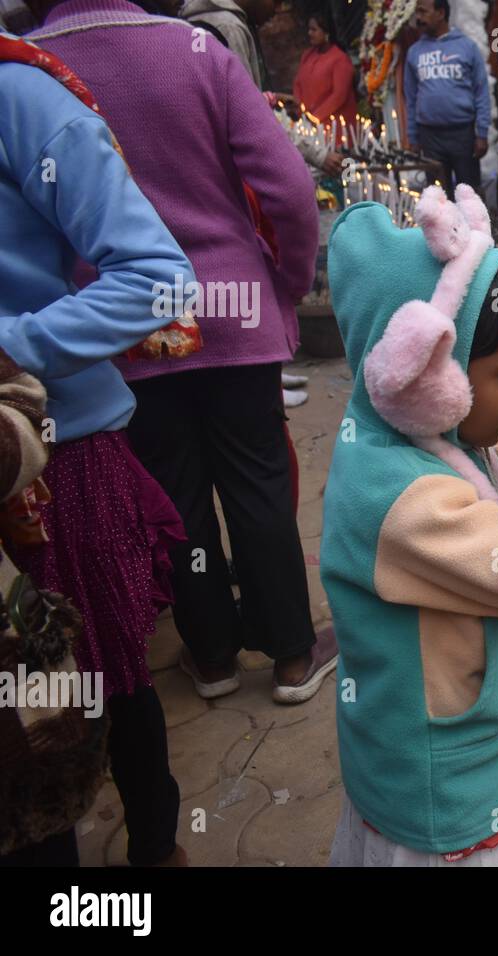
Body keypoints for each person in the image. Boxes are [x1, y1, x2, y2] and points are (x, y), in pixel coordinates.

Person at [28, 0, 332, 705]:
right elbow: (288, 187)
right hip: (235, 306)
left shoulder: (30, 69)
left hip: (120, 322)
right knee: (257, 482)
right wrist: (283, 284)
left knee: (174, 491)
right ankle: (290, 657)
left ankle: (214, 656)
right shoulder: (193, 51)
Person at [322, 189, 498, 866]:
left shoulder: (449, 437)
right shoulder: (396, 498)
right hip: (446, 793)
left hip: (488, 758)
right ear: (425, 371)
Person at [0, 29, 196, 866]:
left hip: (55, 460)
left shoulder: (21, 97)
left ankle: (150, 855)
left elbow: (161, 279)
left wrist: (14, 348)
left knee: (83, 688)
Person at [404, 0, 490, 195]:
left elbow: (481, 92)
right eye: (417, 13)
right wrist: (413, 137)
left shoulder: (467, 46)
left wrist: (482, 133)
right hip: (430, 136)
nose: (418, 18)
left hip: (462, 134)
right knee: (438, 201)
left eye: (423, 12)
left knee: (469, 197)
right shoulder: (414, 52)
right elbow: (410, 98)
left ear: (441, 13)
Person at [294, 11, 358, 147]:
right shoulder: (307, 56)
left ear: (326, 32)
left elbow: (339, 95)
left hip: (335, 128)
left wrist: (315, 117)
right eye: (309, 29)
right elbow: (298, 83)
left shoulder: (340, 59)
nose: (309, 33)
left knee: (343, 166)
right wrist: (301, 110)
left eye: (314, 29)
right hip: (310, 125)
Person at [181, 0, 273, 90]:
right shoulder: (229, 27)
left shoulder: (190, 17)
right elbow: (242, 95)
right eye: (277, 2)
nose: (277, 9)